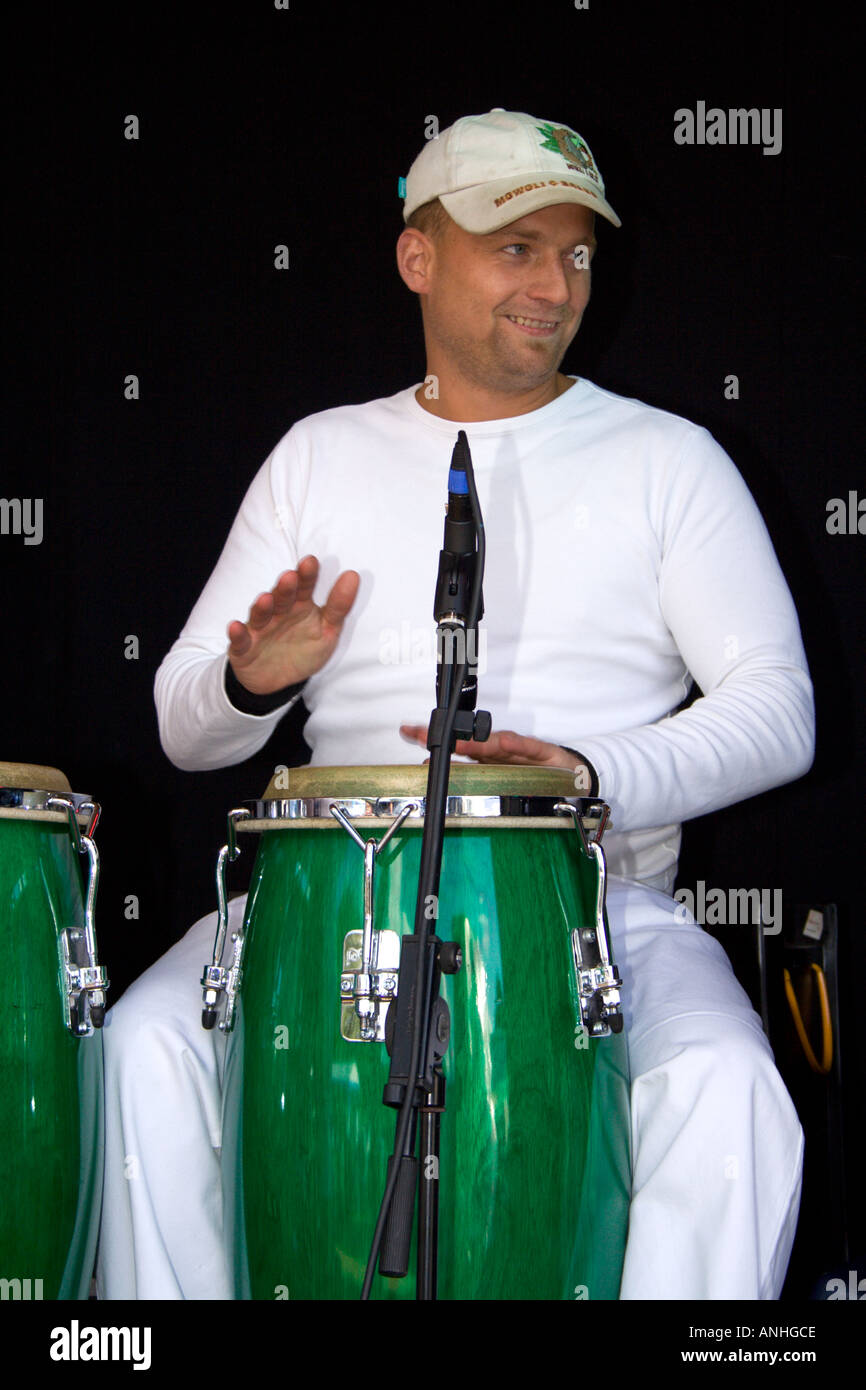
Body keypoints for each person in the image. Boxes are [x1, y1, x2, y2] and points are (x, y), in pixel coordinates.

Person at [96, 108, 814, 1300]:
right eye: (516, 247)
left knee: (727, 1087)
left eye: (576, 252)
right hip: (333, 890)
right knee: (144, 1045)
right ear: (417, 257)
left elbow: (777, 710)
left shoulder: (668, 459)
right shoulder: (317, 455)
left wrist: (586, 772)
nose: (556, 283)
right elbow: (182, 722)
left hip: (593, 903)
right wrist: (249, 681)